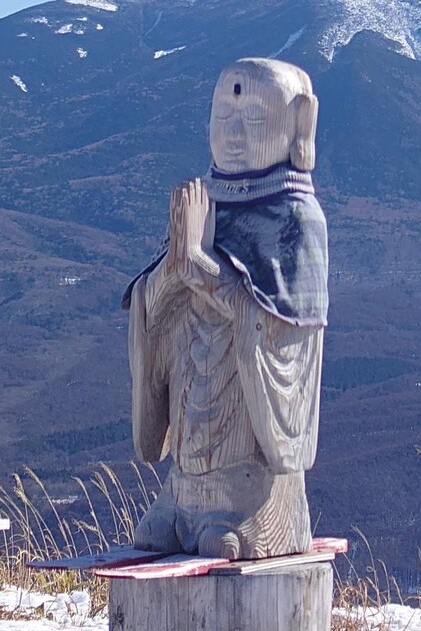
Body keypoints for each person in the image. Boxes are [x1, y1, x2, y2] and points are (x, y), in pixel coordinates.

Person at [124, 58, 328, 559]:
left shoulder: (296, 218)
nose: (235, 133)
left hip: (250, 469)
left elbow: (276, 327)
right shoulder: (203, 205)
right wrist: (174, 269)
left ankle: (248, 512)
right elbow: (148, 309)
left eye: (254, 120)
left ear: (296, 125)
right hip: (190, 440)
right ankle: (183, 499)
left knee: (233, 517)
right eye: (223, 117)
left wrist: (200, 268)